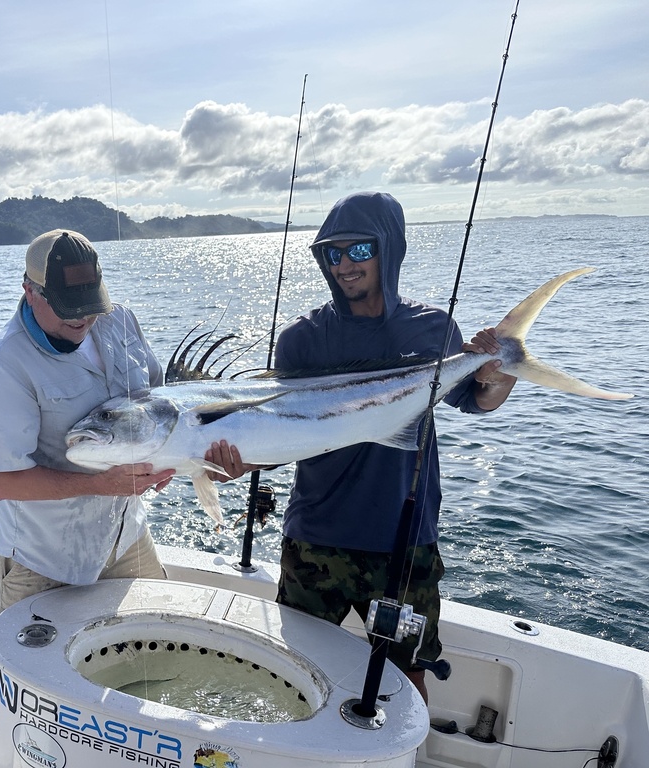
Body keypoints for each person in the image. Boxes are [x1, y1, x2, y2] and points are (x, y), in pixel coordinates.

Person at [208, 191, 515, 702]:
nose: (345, 266)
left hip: (404, 539)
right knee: (290, 677)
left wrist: (500, 375)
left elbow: (480, 401)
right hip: (314, 537)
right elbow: (285, 432)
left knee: (407, 677)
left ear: (389, 249)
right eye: (332, 253)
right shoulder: (301, 339)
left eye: (359, 251)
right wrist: (237, 464)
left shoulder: (434, 329)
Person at [0, 229, 175, 611]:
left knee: (159, 649)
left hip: (126, 537)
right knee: (33, 671)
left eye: (90, 302)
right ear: (31, 291)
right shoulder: (2, 365)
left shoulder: (121, 320)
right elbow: (4, 481)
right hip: (45, 560)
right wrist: (103, 483)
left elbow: (157, 401)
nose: (83, 317)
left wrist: (170, 458)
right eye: (68, 306)